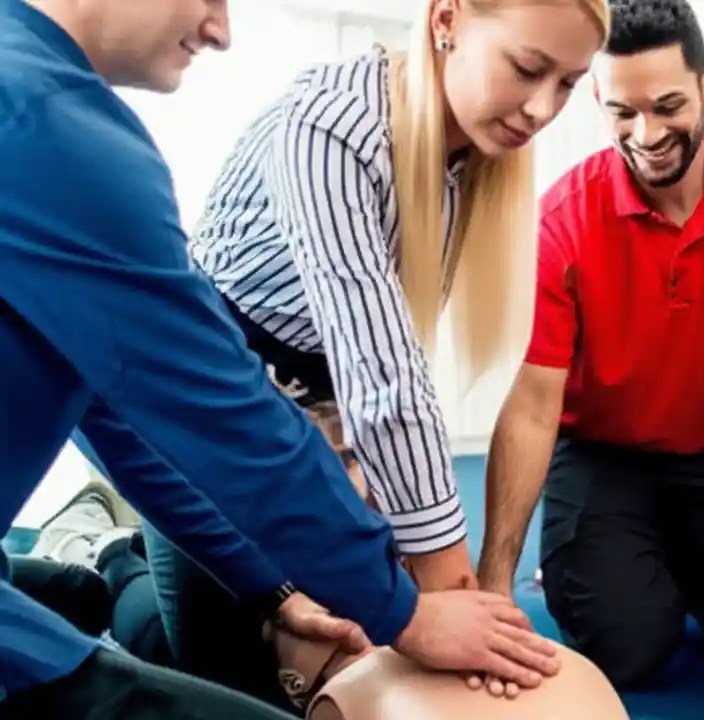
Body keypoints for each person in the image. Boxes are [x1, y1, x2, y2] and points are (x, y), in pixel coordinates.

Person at [0, 0, 559, 716]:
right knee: (221, 665)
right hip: (241, 417)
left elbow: (110, 416)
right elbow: (230, 420)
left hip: (254, 427)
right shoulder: (61, 134)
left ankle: (88, 566)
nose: (221, 30)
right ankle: (102, 551)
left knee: (119, 607)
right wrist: (409, 610)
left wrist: (275, 586)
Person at [129, 0, 608, 705]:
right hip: (200, 404)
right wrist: (446, 586)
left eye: (567, 83)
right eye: (528, 68)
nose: (542, 108)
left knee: (337, 633)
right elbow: (380, 375)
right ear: (446, 19)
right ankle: (112, 562)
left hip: (310, 408)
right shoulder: (331, 129)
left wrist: (421, 572)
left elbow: (377, 369)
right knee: (226, 679)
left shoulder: (466, 153)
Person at [476, 0, 704, 689]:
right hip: (600, 455)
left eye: (668, 104)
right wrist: (492, 582)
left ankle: (673, 556)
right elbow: (532, 406)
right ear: (596, 96)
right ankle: (609, 561)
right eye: (623, 111)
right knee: (629, 648)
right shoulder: (562, 220)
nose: (646, 133)